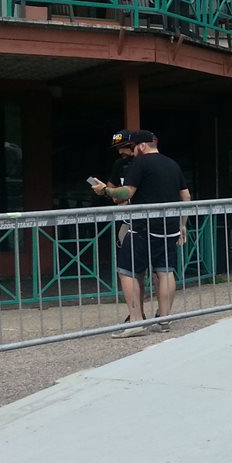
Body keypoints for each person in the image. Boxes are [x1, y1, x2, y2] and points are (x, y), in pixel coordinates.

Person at [91, 131, 191, 338]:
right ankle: (164, 320)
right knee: (165, 271)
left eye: (133, 146)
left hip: (142, 226)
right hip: (169, 225)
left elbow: (126, 193)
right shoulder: (172, 164)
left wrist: (105, 191)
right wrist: (182, 224)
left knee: (127, 271)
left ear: (142, 146)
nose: (130, 151)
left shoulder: (140, 163)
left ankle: (136, 321)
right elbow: (186, 195)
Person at [92, 130, 143, 324]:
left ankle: (161, 315)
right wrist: (105, 190)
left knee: (157, 270)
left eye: (123, 147)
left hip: (145, 220)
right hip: (126, 220)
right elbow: (114, 192)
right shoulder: (119, 165)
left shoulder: (143, 163)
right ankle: (137, 314)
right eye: (117, 148)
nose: (121, 152)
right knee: (129, 269)